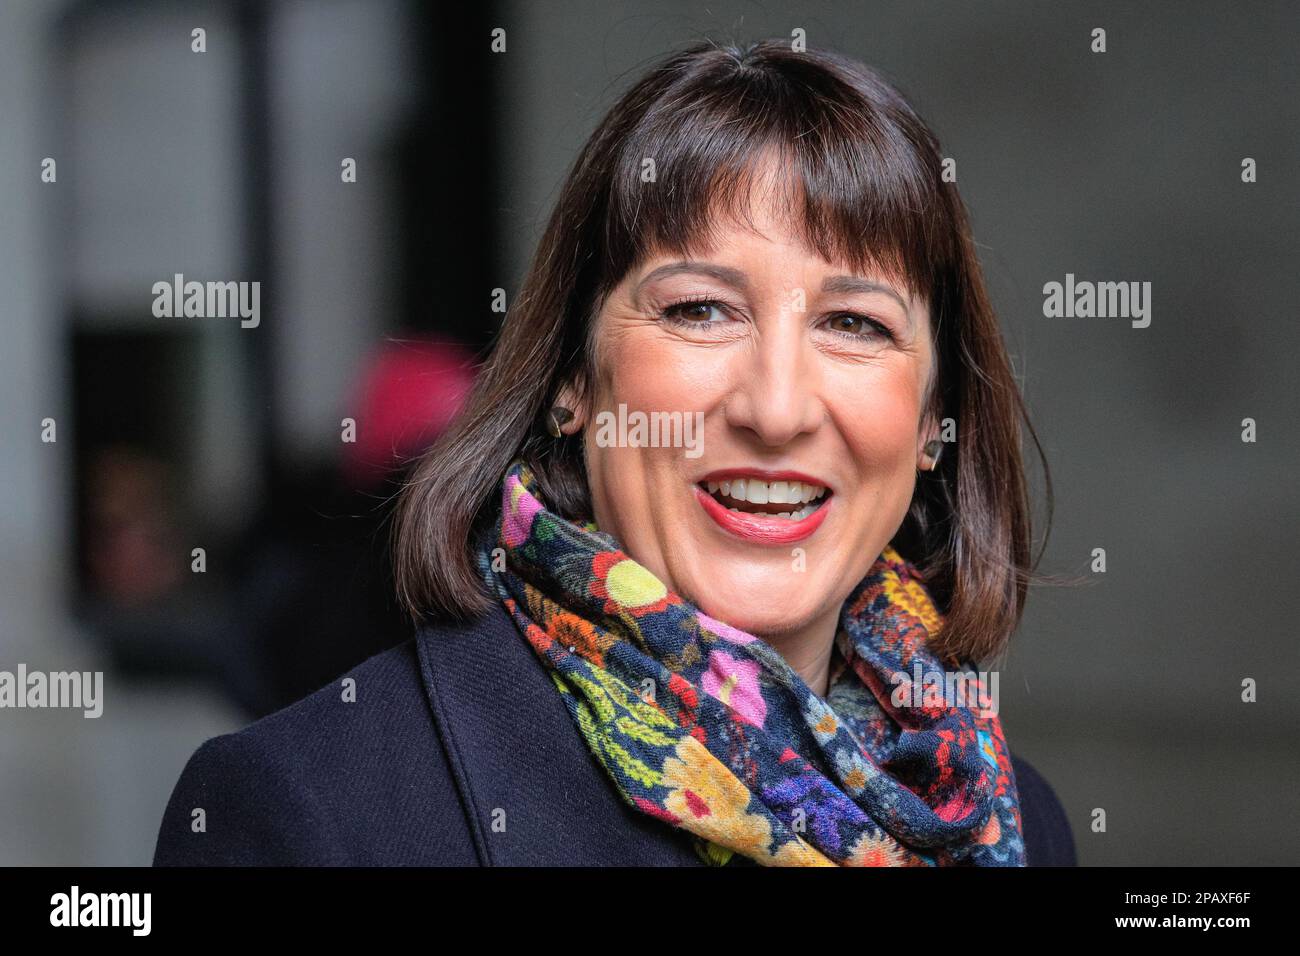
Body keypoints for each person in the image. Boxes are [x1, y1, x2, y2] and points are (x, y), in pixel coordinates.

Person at [155, 38, 1076, 867]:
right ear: (572, 380)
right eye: (699, 310)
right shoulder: (308, 813)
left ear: (930, 421)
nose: (779, 407)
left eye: (854, 323)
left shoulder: (1017, 824)